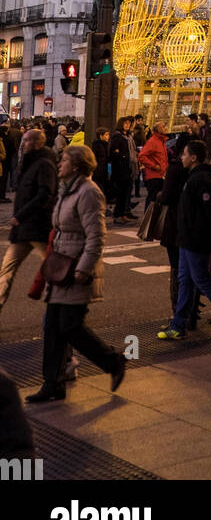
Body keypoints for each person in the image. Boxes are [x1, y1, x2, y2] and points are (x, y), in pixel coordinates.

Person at [27, 145, 126, 403]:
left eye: (66, 159)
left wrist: (84, 268)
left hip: (76, 269)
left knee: (70, 326)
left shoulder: (89, 193)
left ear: (78, 165)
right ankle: (52, 383)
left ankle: (113, 361)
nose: (60, 163)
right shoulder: (67, 190)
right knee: (52, 327)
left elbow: (96, 235)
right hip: (61, 267)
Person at [156, 140, 211, 341]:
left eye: (184, 154)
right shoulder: (194, 177)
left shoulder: (200, 180)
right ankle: (179, 325)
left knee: (200, 278)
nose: (181, 157)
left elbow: (210, 211)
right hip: (186, 238)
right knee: (185, 280)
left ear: (193, 157)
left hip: (196, 239)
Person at [0, 129, 58, 314]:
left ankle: (59, 308)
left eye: (26, 141)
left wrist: (20, 215)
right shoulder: (31, 162)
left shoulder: (44, 164)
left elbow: (45, 194)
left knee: (52, 270)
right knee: (6, 270)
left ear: (35, 143)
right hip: (25, 230)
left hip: (38, 227)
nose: (22, 144)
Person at [108, 117, 137, 223]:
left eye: (128, 124)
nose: (127, 125)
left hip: (129, 168)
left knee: (126, 193)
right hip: (121, 169)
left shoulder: (128, 136)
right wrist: (123, 156)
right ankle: (118, 215)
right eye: (125, 124)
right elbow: (114, 152)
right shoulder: (118, 136)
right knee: (121, 193)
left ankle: (123, 213)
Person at [137, 121, 169, 208]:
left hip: (161, 175)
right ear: (157, 129)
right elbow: (141, 156)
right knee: (152, 200)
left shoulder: (161, 141)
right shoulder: (153, 141)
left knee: (156, 200)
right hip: (154, 176)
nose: (165, 128)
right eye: (163, 126)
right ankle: (148, 219)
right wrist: (154, 166)